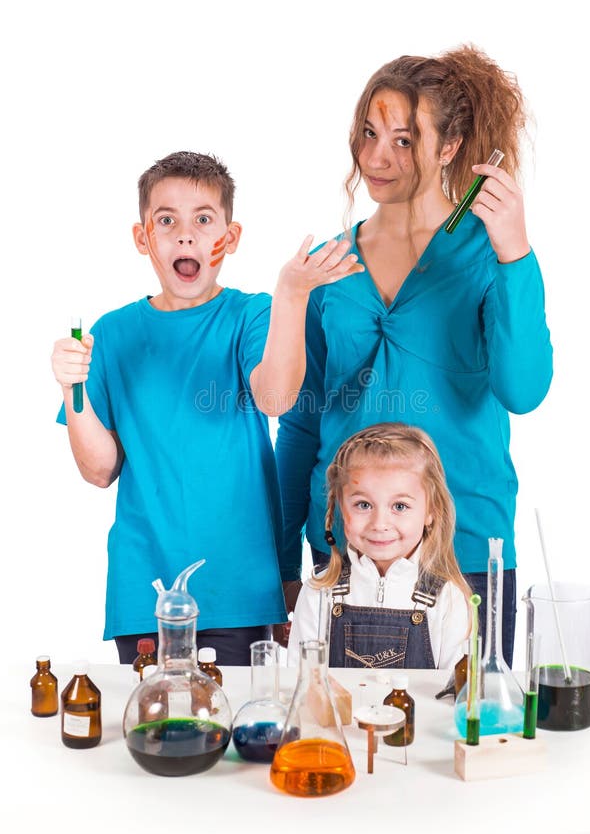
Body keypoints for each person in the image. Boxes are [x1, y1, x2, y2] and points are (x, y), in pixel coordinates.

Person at [276, 46, 553, 665]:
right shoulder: (328, 265)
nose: (377, 157)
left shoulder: (487, 253)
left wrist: (515, 253)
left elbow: (524, 389)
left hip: (467, 547)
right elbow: (298, 423)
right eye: (369, 134)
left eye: (404, 141)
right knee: (339, 738)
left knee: (462, 735)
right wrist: (281, 559)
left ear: (449, 147)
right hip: (344, 551)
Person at [51, 150, 362, 665]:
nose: (185, 236)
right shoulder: (110, 334)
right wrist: (72, 389)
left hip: (237, 588)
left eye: (203, 220)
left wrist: (291, 294)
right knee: (155, 733)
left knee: (233, 736)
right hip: (143, 589)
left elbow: (276, 397)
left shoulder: (250, 315)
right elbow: (99, 469)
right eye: (166, 221)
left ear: (230, 238)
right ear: (143, 237)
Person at [287, 423, 469, 669]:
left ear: (431, 512)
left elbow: (454, 695)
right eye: (363, 505)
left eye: (400, 506)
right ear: (341, 505)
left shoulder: (448, 599)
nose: (380, 524)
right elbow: (303, 687)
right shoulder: (319, 593)